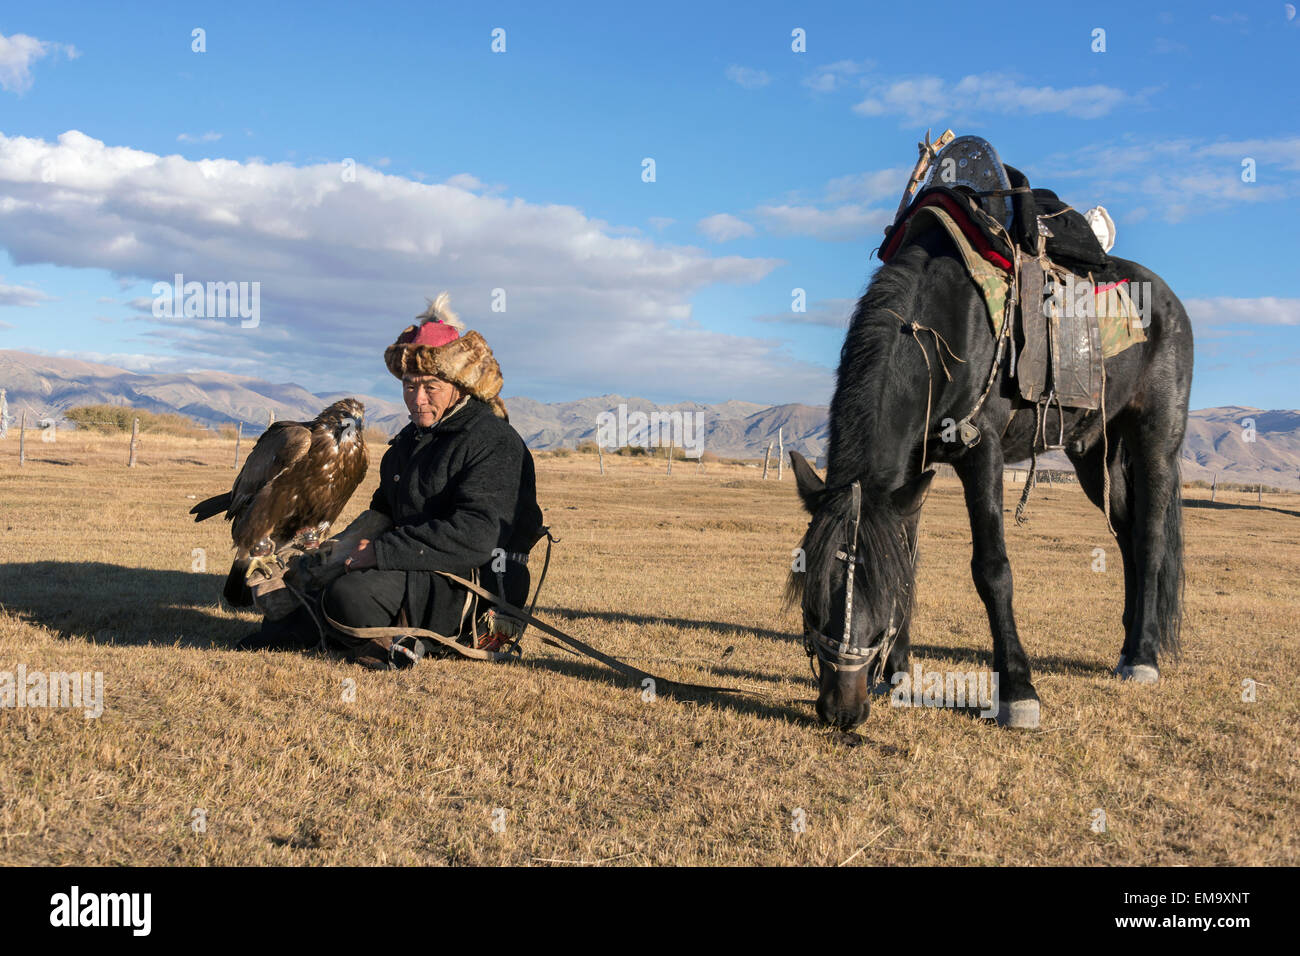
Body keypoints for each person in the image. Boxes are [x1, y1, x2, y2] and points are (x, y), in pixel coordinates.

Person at [238, 293, 543, 654]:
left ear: (459, 386)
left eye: (431, 387)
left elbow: (477, 536)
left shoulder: (493, 441)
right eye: (410, 385)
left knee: (348, 597)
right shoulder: (408, 443)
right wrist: (327, 559)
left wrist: (379, 553)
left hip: (477, 583)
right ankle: (318, 625)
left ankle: (415, 642)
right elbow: (384, 514)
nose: (417, 399)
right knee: (298, 600)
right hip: (413, 565)